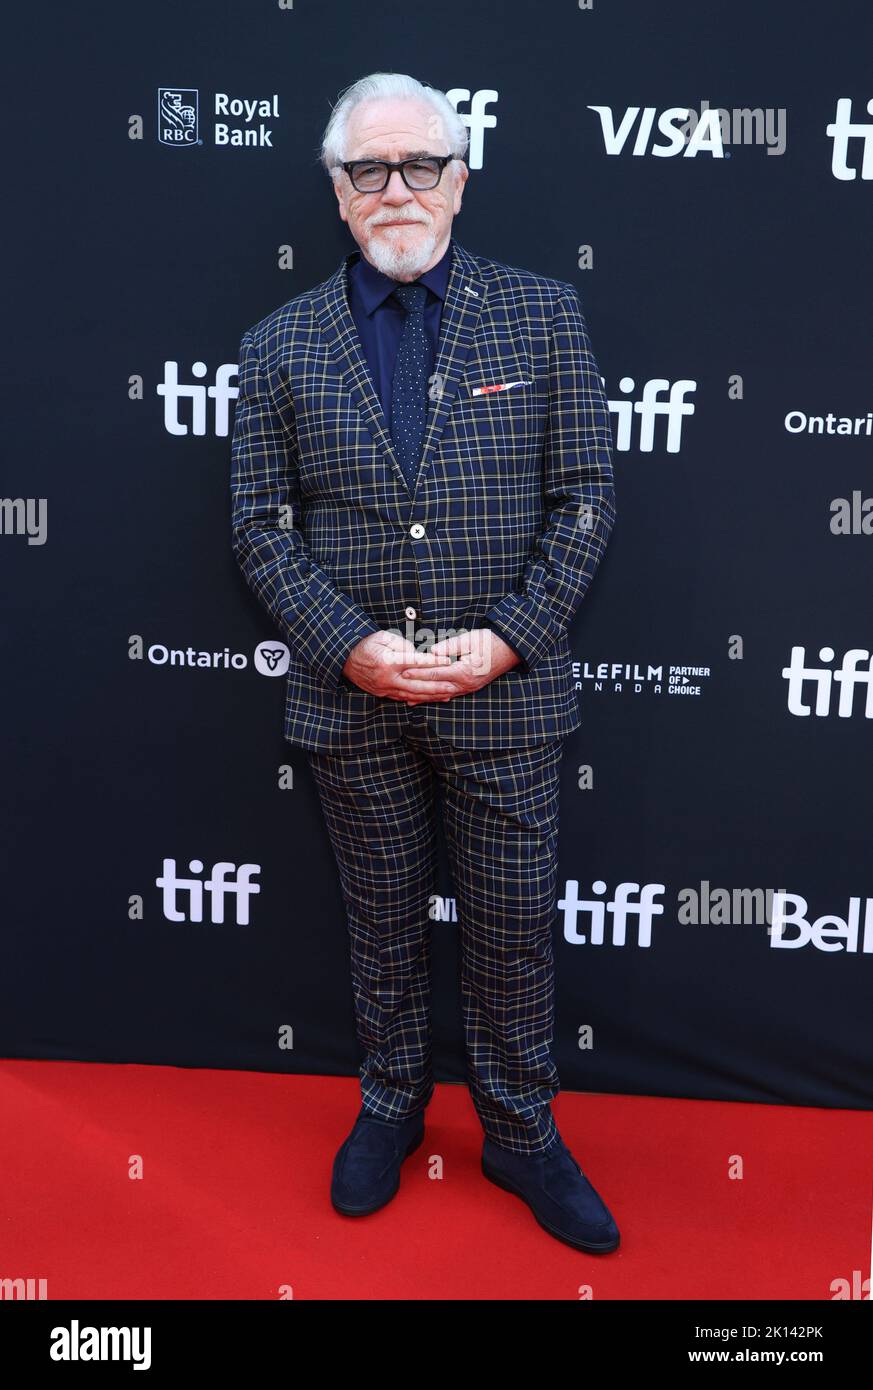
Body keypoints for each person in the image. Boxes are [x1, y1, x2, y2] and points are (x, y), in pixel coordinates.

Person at [230, 70, 619, 1254]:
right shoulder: (276, 342)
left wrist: (509, 638)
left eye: (418, 167)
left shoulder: (544, 315)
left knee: (510, 925)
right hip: (354, 707)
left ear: (460, 178)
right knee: (380, 917)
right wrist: (348, 647)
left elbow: (588, 496)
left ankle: (519, 1126)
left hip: (508, 697)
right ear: (339, 195)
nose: (395, 190)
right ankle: (392, 1101)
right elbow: (258, 524)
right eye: (368, 171)